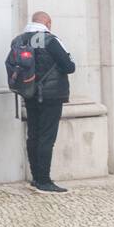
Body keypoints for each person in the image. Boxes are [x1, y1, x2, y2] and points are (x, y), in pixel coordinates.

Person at [19, 10, 75, 195]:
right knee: (46, 137)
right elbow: (69, 66)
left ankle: (36, 177)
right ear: (48, 23)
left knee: (33, 135)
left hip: (29, 94)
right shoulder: (51, 40)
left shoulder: (20, 40)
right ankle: (44, 180)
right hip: (50, 96)